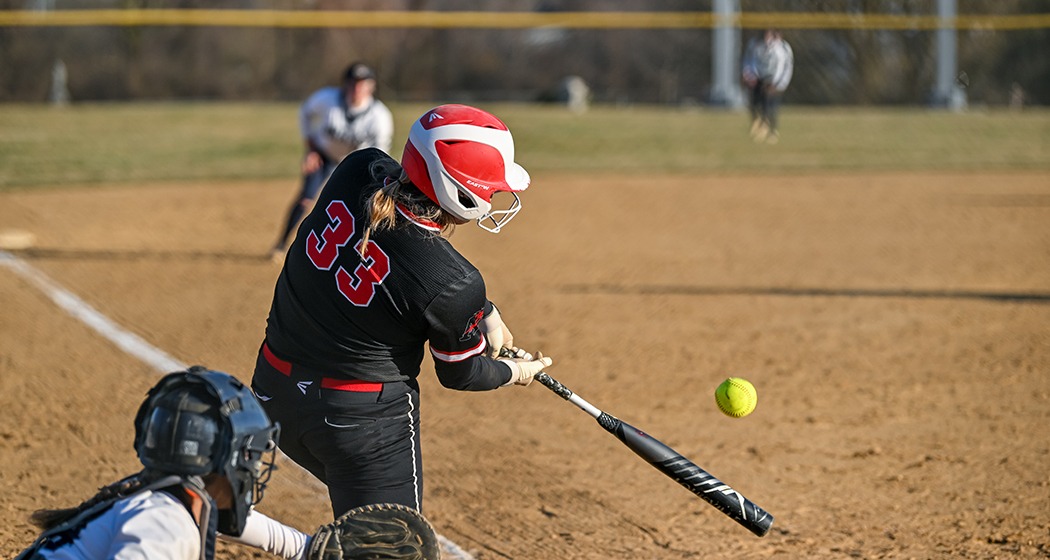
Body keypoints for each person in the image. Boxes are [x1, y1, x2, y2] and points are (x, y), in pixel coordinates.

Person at [251, 104, 554, 519]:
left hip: (273, 395)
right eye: (490, 189)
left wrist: (484, 309)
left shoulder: (358, 167)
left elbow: (393, 251)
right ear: (459, 193)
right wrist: (513, 373)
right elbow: (461, 373)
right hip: (359, 428)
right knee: (392, 544)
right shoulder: (455, 282)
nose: (494, 196)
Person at [16, 366, 308, 560]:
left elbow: (229, 524)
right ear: (224, 460)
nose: (254, 468)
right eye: (250, 457)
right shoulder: (167, 522)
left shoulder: (155, 501)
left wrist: (306, 547)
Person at [271, 62, 395, 262]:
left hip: (355, 165)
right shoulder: (327, 99)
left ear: (371, 86)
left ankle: (359, 255)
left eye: (363, 83)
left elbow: (380, 154)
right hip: (323, 156)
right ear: (345, 84)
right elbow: (305, 113)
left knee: (363, 207)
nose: (357, 88)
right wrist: (310, 149)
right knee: (306, 198)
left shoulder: (380, 116)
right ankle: (281, 244)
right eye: (353, 83)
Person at [742, 28, 794, 144]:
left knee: (771, 107)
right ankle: (759, 126)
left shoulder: (781, 48)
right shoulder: (756, 45)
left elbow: (784, 67)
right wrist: (751, 76)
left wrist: (777, 83)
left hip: (774, 81)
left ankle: (772, 131)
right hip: (760, 79)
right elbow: (752, 61)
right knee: (755, 104)